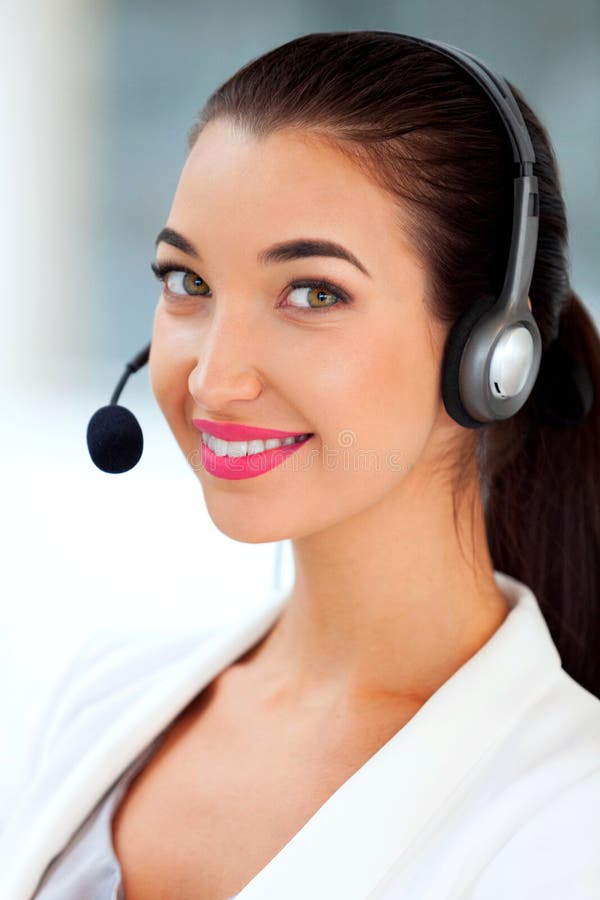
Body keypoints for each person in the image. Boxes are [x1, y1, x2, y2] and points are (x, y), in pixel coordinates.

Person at [2, 29, 600, 900]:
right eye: (188, 283)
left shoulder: (567, 818)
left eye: (313, 293)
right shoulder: (107, 696)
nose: (215, 377)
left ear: (490, 355)